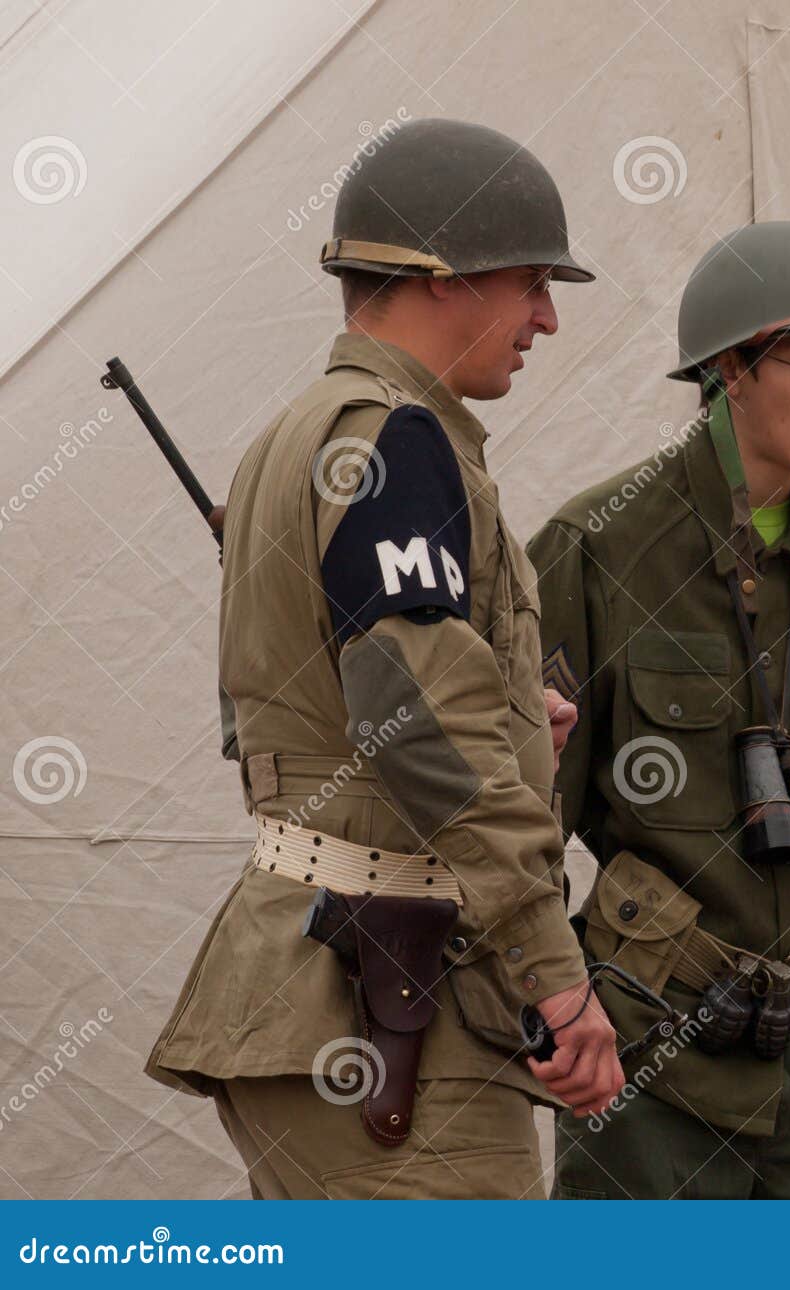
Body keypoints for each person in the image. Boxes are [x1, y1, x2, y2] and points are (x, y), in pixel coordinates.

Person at [143, 118, 623, 1199]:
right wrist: (555, 972)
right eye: (532, 281)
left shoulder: (300, 434)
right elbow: (404, 707)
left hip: (336, 970)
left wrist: (508, 720)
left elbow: (297, 705)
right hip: (383, 984)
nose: (546, 317)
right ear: (443, 275)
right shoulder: (395, 439)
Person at [525, 220, 790, 1198]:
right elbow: (527, 819)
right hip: (654, 1054)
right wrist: (560, 995)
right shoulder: (593, 550)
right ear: (729, 370)